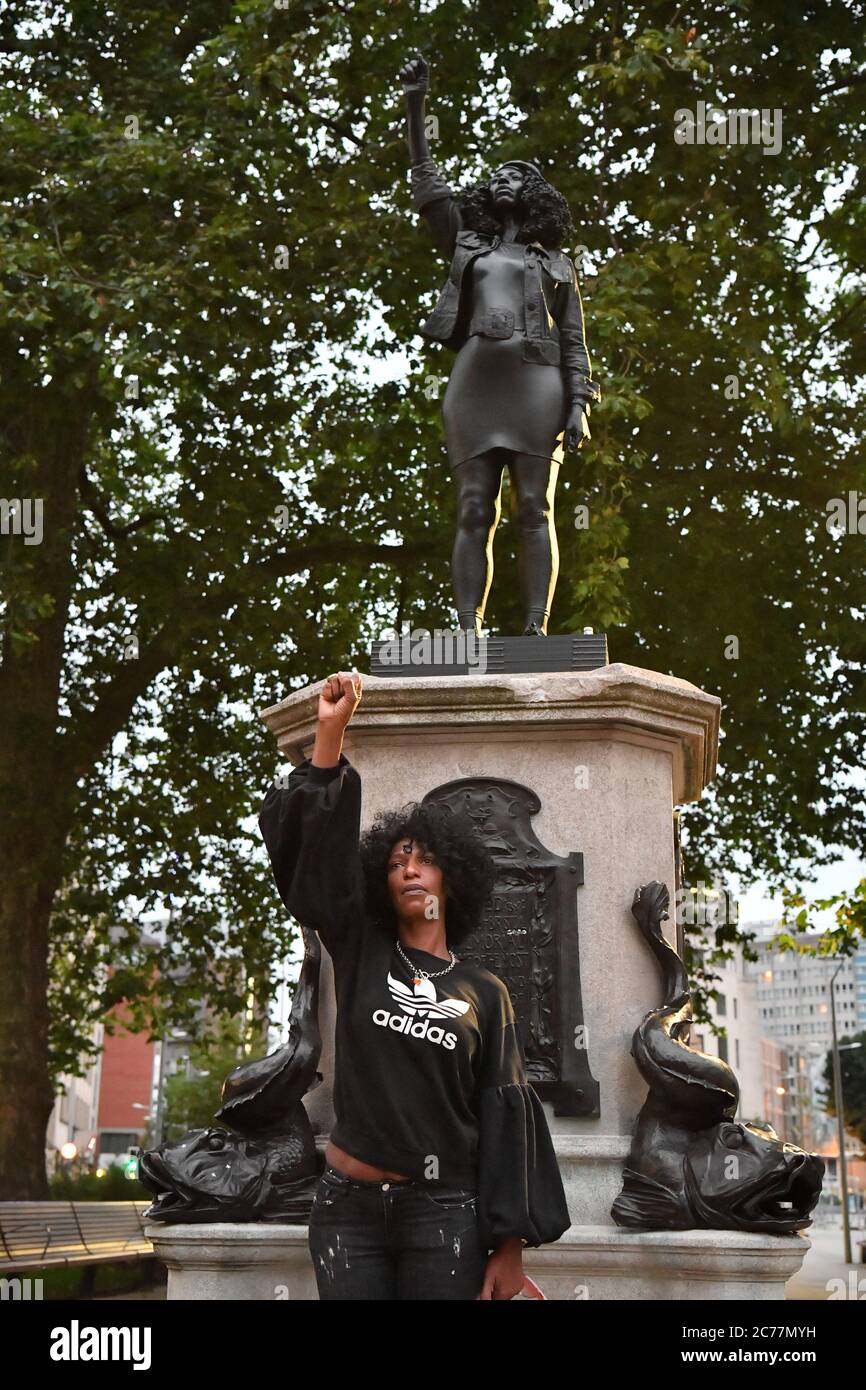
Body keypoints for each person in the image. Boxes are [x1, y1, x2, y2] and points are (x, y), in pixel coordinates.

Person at [258, 671, 570, 1299]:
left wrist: (507, 1250)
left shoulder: (486, 992)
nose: (408, 869)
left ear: (452, 878)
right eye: (397, 861)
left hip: (444, 1214)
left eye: (423, 859)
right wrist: (329, 732)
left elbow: (505, 1119)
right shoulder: (362, 948)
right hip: (346, 1213)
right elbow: (321, 866)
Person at [400, 54, 601, 637]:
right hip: (475, 387)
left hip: (539, 386)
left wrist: (579, 404)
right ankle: (468, 629)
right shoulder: (467, 244)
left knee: (535, 508)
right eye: (500, 174)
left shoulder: (558, 265)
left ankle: (536, 630)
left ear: (536, 195)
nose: (506, 179)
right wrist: (416, 104)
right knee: (472, 508)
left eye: (520, 175)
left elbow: (574, 340)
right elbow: (427, 186)